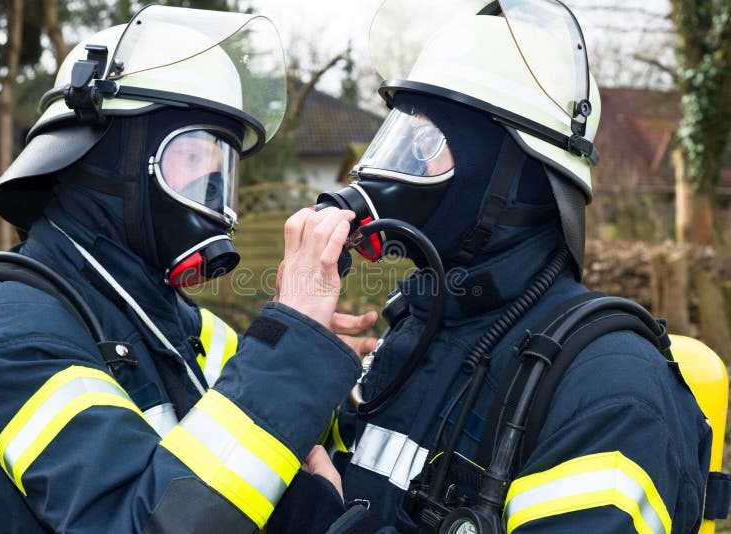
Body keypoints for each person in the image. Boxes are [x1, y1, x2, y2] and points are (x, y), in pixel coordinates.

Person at [269, 1, 716, 532]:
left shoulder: (610, 389)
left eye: (428, 142)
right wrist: (300, 365)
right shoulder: (412, 335)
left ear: (516, 177)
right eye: (403, 139)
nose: (398, 168)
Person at [0, 5, 374, 533]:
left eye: (221, 175)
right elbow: (141, 523)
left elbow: (248, 447)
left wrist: (307, 353)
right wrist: (291, 350)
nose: (212, 198)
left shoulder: (178, 321)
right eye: (191, 159)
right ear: (109, 159)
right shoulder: (12, 330)